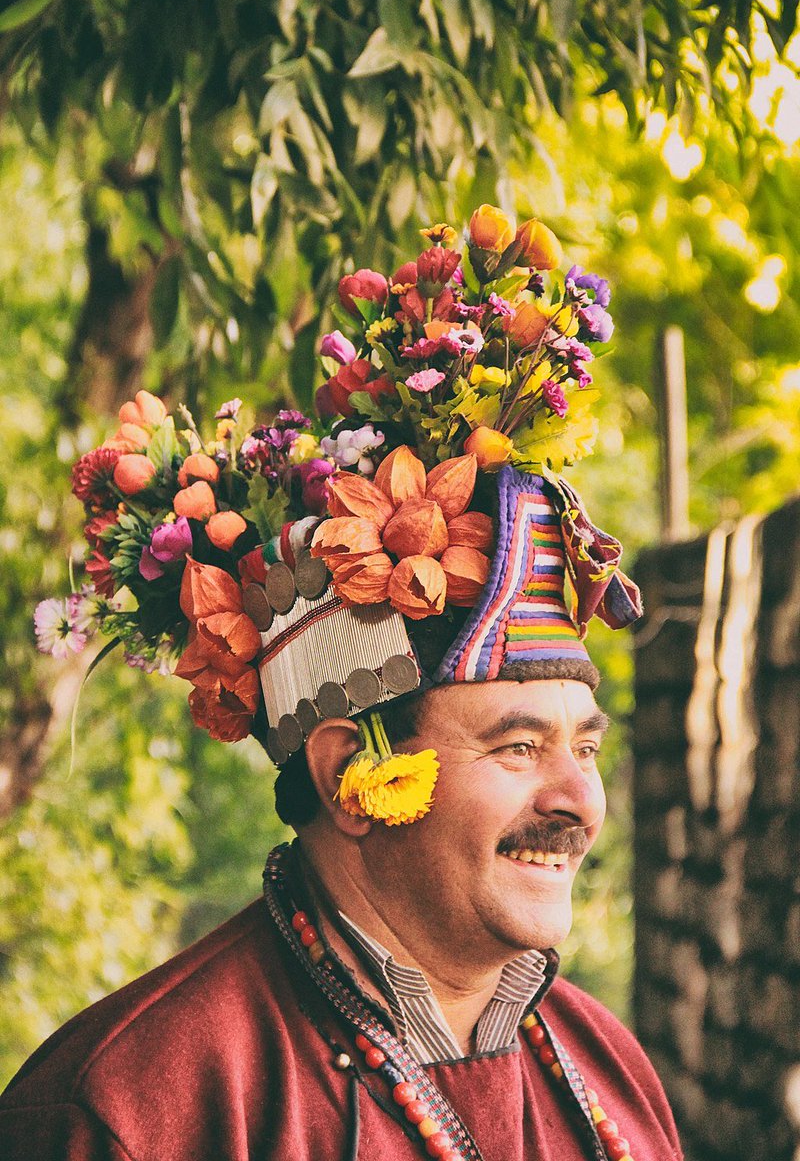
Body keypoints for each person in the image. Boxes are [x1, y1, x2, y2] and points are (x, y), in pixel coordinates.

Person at [1, 205, 683, 1160]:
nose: (578, 800)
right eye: (518, 746)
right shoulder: (132, 1109)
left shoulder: (608, 1067)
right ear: (344, 779)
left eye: (585, 746)